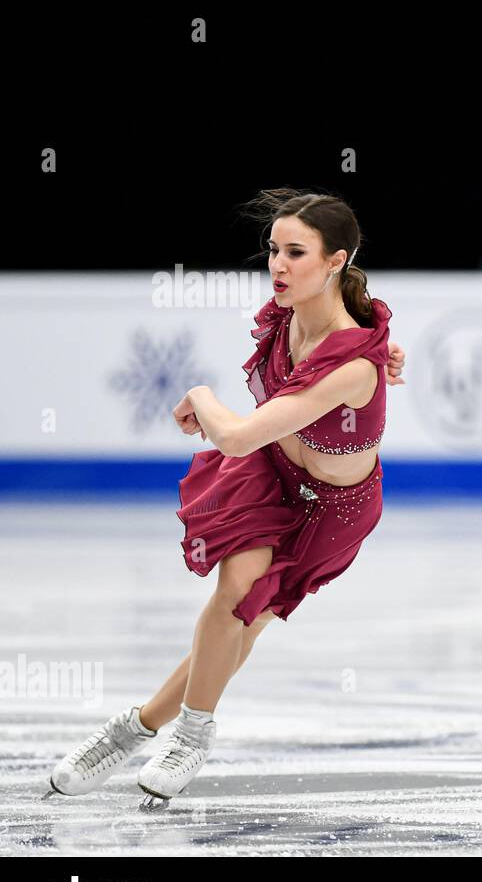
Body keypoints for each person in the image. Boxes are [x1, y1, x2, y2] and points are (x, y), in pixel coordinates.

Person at [45, 189, 408, 808]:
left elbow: (235, 432)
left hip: (332, 511)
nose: (278, 265)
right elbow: (255, 438)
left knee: (245, 623)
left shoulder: (350, 363)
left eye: (296, 253)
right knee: (233, 598)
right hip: (271, 472)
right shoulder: (290, 318)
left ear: (334, 261)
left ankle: (134, 728)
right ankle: (186, 735)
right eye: (274, 250)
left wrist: (199, 390)